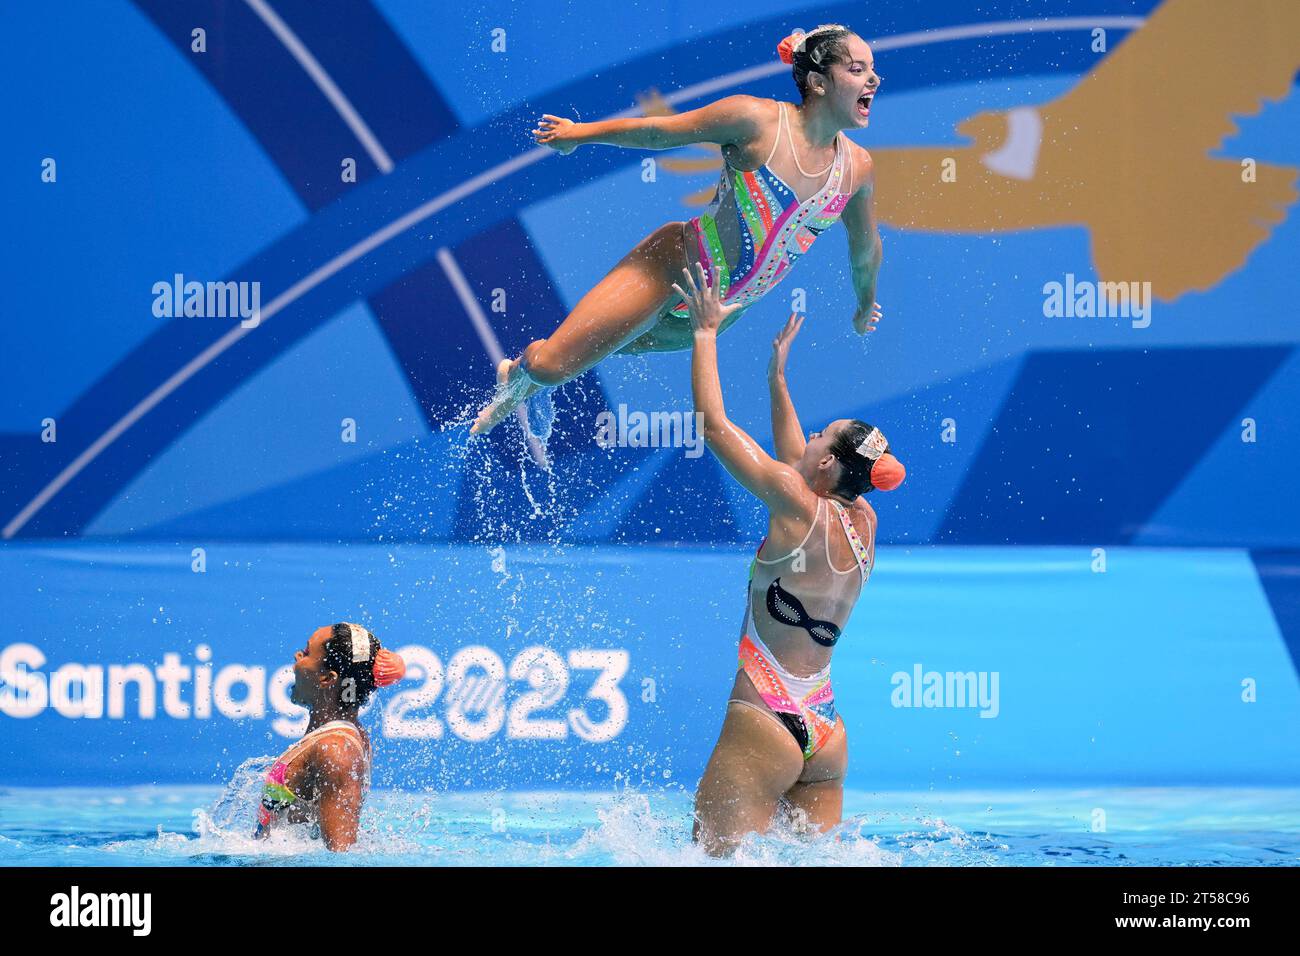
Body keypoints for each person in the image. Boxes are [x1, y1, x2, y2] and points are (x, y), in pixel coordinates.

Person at [471, 24, 884, 441]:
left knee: (597, 351)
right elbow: (660, 132)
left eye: (873, 69)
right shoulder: (757, 121)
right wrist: (577, 134)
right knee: (551, 366)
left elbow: (865, 251)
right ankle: (519, 375)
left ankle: (523, 385)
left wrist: (865, 304)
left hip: (715, 312)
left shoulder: (857, 169)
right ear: (817, 82)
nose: (873, 79)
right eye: (856, 69)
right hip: (672, 267)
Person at [671, 261, 905, 855]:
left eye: (823, 434)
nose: (812, 439)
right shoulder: (864, 523)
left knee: (709, 861)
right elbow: (802, 462)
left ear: (827, 462)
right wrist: (778, 382)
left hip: (766, 716)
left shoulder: (796, 508)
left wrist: (704, 333)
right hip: (826, 730)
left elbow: (716, 427)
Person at [254, 622, 405, 851]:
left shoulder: (336, 748)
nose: (297, 656)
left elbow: (341, 857)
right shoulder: (343, 735)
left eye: (306, 652)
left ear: (326, 679)